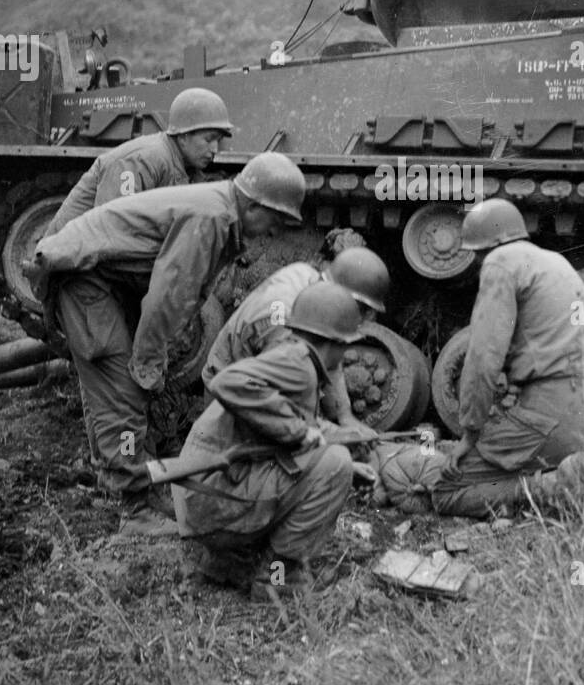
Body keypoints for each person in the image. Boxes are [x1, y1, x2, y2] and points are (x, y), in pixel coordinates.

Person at [27, 151, 306, 537]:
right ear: (255, 205)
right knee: (122, 392)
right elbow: (169, 296)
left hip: (100, 279)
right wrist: (148, 361)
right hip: (83, 281)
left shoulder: (220, 211)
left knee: (116, 389)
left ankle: (134, 481)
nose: (275, 231)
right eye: (277, 218)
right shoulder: (211, 218)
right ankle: (135, 512)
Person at [174, 283, 365, 600]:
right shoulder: (299, 365)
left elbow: (280, 426)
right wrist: (301, 434)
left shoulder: (292, 356)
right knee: (336, 464)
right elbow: (227, 381)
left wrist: (320, 437)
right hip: (212, 501)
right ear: (334, 342)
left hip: (201, 496)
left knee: (338, 462)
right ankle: (277, 580)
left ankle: (227, 560)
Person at [432, 197, 584, 518]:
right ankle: (575, 467)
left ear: (483, 246)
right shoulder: (555, 261)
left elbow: (482, 358)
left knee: (447, 491)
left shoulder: (500, 262)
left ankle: (556, 485)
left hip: (553, 416)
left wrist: (470, 433)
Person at [203, 244, 390, 432]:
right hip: (233, 399)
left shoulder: (313, 281)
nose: (362, 316)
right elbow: (279, 400)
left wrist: (344, 416)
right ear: (342, 294)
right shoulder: (280, 320)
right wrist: (326, 432)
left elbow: (329, 355)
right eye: (361, 308)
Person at [44, 87, 234, 236]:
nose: (215, 149)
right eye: (209, 139)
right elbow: (113, 228)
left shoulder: (183, 165)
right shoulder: (142, 159)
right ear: (183, 136)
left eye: (218, 141)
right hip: (75, 268)